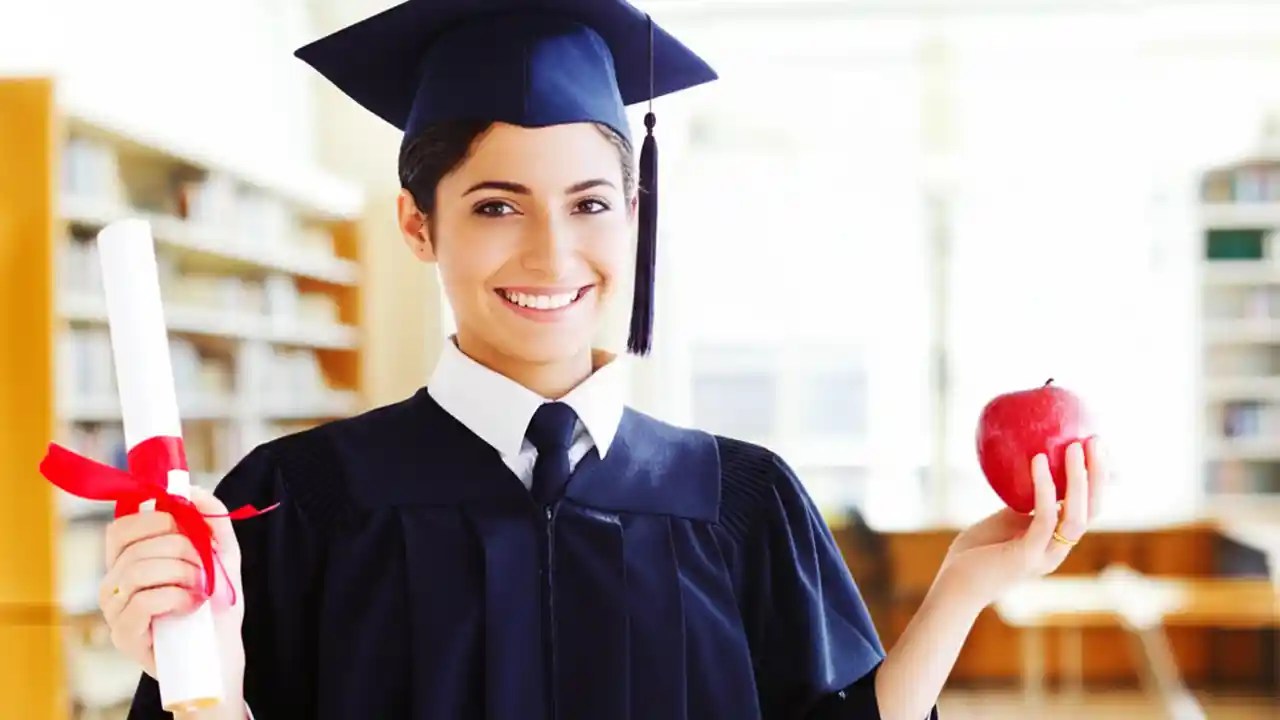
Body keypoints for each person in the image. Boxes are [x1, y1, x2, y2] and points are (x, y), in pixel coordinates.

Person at [95, 1, 1108, 718]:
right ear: (416, 223)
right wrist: (212, 698)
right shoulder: (293, 507)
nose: (550, 254)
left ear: (635, 212)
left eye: (588, 202)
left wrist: (960, 590)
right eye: (496, 205)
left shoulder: (743, 502)